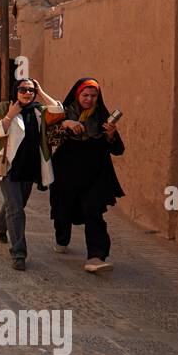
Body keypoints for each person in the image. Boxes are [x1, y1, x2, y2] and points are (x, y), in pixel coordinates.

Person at [0, 77, 65, 270]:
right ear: (16, 91)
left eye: (31, 90)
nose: (27, 93)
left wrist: (42, 91)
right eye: (23, 89)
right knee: (16, 209)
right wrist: (10, 116)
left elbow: (59, 111)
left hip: (30, 167)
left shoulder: (39, 110)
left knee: (16, 203)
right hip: (7, 166)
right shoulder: (5, 107)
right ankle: (19, 253)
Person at [50, 77, 125, 273]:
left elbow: (118, 149)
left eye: (93, 96)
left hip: (96, 174)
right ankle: (62, 238)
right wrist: (65, 123)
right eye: (85, 95)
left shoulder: (102, 117)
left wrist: (110, 135)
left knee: (94, 211)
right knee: (63, 210)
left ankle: (96, 256)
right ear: (77, 95)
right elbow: (49, 136)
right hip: (66, 172)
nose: (89, 99)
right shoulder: (64, 113)